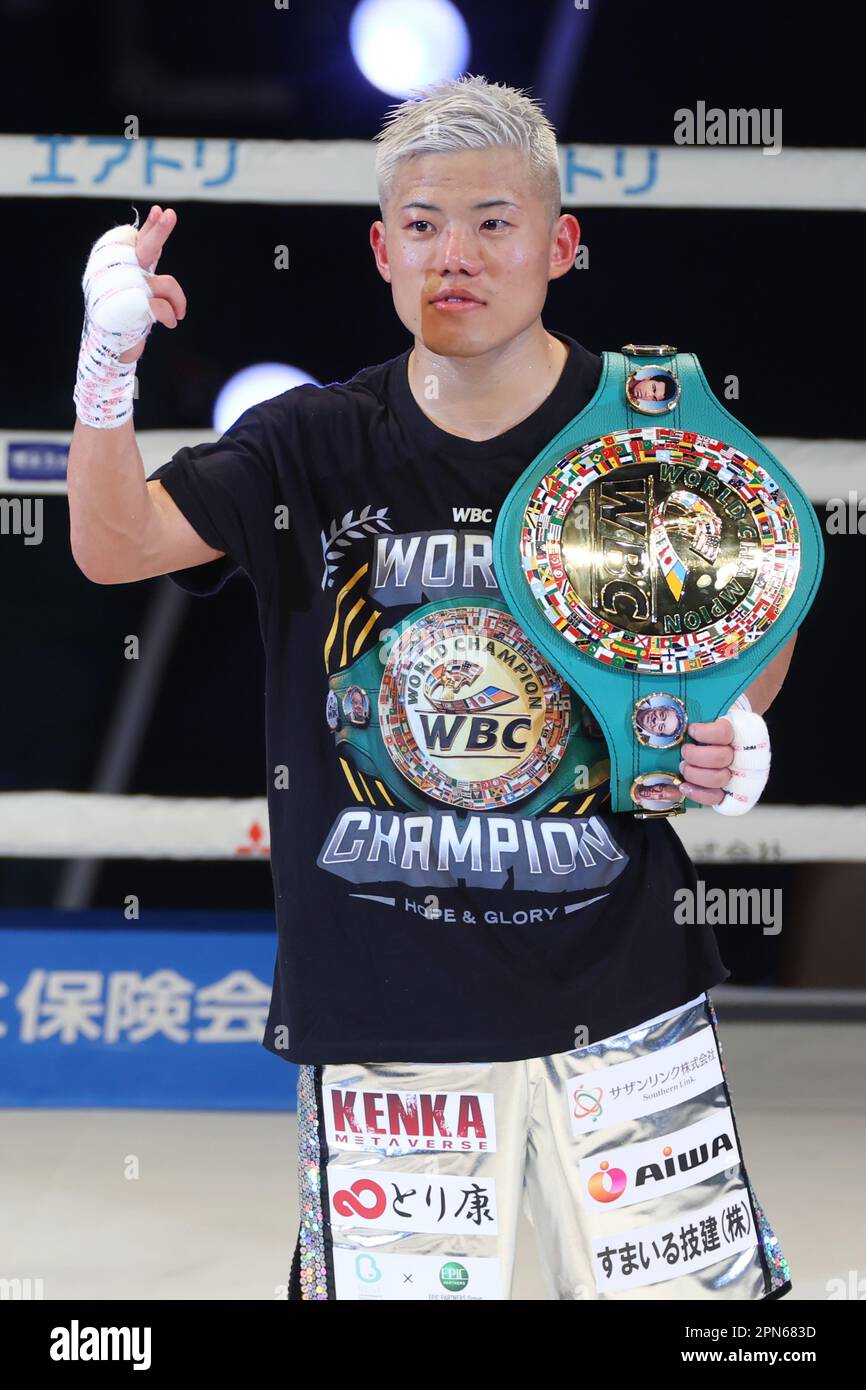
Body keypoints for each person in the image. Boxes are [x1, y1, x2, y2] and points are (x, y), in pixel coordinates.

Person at [67, 75, 797, 1302]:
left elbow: (751, 607)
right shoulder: (311, 439)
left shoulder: (648, 431)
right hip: (380, 1001)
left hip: (619, 988)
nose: (454, 254)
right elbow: (112, 546)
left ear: (559, 244)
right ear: (379, 248)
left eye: (493, 223)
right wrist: (105, 366)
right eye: (420, 225)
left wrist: (740, 729)